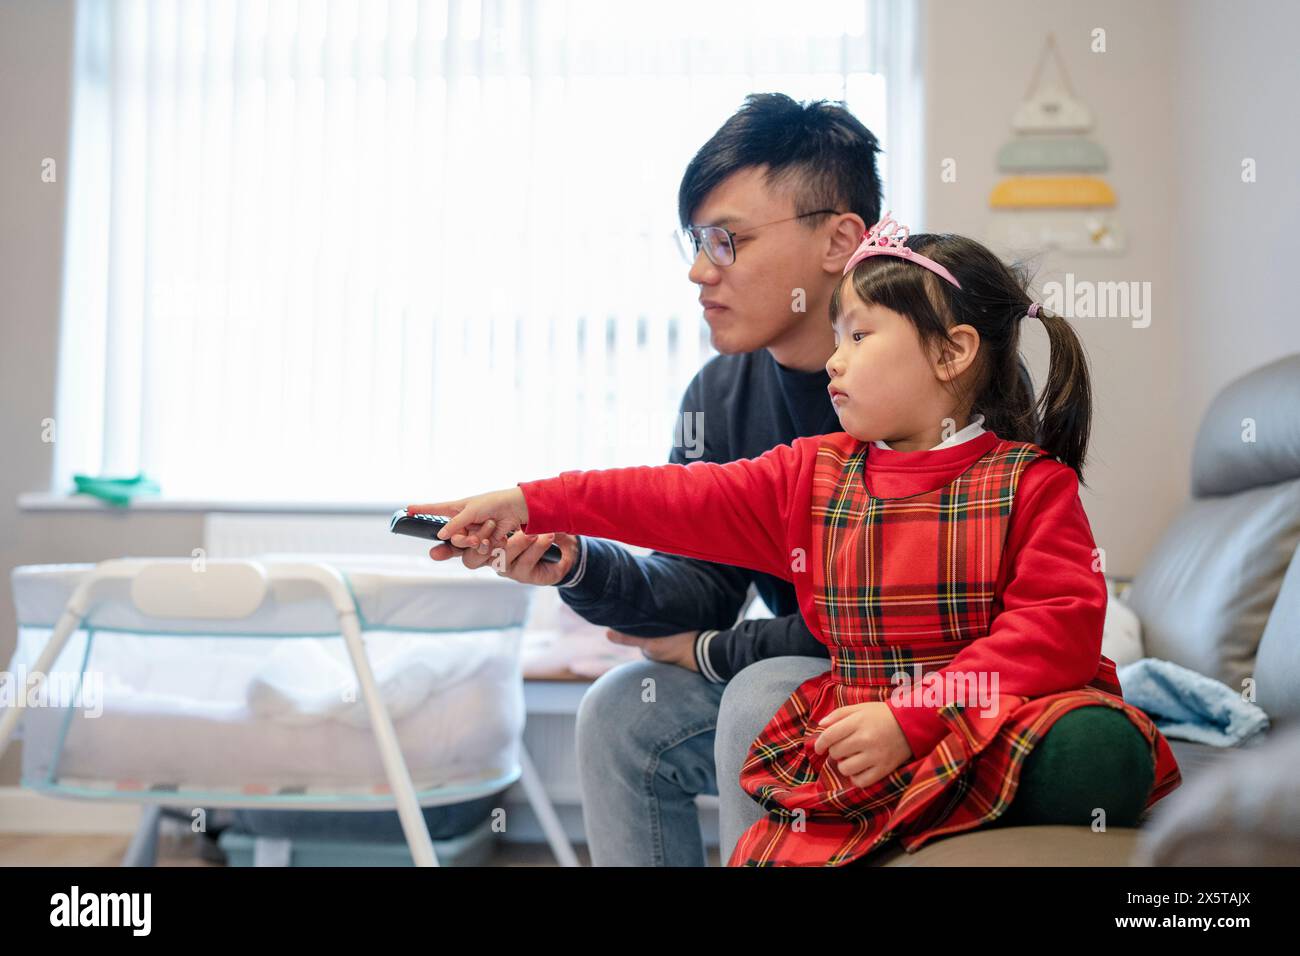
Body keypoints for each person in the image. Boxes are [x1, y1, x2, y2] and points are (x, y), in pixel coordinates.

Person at [408, 213, 1184, 866]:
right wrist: (528, 501)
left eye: (861, 336)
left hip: (976, 721)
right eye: (836, 335)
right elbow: (670, 498)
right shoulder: (813, 474)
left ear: (952, 352)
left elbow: (1055, 633)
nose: (836, 361)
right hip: (862, 725)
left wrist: (912, 717)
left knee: (1096, 747)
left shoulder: (1029, 481)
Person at [426, 92, 884, 865]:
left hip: (912, 682)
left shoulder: (917, 382)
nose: (700, 271)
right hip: (787, 668)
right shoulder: (721, 393)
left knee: (765, 693)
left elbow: (886, 618)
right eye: (697, 243)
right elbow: (700, 581)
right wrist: (576, 560)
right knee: (618, 713)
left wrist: (712, 651)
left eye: (727, 241)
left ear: (841, 239)